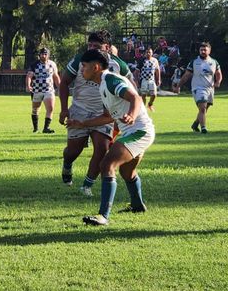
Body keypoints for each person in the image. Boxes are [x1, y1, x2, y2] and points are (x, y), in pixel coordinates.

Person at [68, 49, 154, 226]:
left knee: (107, 164)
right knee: (126, 172)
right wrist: (82, 124)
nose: (81, 70)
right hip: (133, 132)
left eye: (84, 66)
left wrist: (131, 115)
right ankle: (137, 206)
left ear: (96, 67)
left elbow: (136, 98)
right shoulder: (102, 86)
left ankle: (103, 216)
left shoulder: (111, 80)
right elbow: (107, 117)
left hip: (139, 132)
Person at [59, 30, 133, 197]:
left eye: (96, 46)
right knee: (73, 151)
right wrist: (64, 109)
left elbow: (131, 87)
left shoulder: (118, 65)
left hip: (104, 113)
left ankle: (87, 185)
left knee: (102, 149)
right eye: (89, 45)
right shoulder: (80, 60)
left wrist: (128, 112)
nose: (91, 48)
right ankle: (67, 163)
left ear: (107, 47)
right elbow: (64, 82)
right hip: (79, 110)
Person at [175, 42, 222, 134]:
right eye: (201, 50)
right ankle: (203, 128)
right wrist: (178, 86)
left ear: (209, 51)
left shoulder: (214, 62)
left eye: (205, 50)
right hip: (198, 88)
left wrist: (218, 82)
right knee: (203, 108)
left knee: (204, 109)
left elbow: (218, 74)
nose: (203, 51)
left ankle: (195, 124)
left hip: (210, 89)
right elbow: (186, 75)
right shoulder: (194, 62)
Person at [26, 48, 60, 133]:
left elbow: (56, 76)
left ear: (48, 55)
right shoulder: (34, 65)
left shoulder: (52, 64)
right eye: (42, 54)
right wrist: (28, 85)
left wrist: (60, 87)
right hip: (37, 90)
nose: (43, 56)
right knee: (35, 109)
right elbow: (29, 76)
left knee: (50, 108)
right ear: (39, 55)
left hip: (49, 90)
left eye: (45, 54)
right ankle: (35, 128)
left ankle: (46, 128)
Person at [135, 47, 161, 111]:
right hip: (143, 79)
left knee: (154, 95)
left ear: (152, 53)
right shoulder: (142, 60)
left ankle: (150, 104)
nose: (148, 53)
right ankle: (143, 108)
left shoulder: (155, 60)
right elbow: (136, 71)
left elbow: (157, 70)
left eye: (150, 52)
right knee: (144, 95)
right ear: (145, 53)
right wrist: (136, 81)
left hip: (152, 79)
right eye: (147, 52)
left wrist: (158, 79)